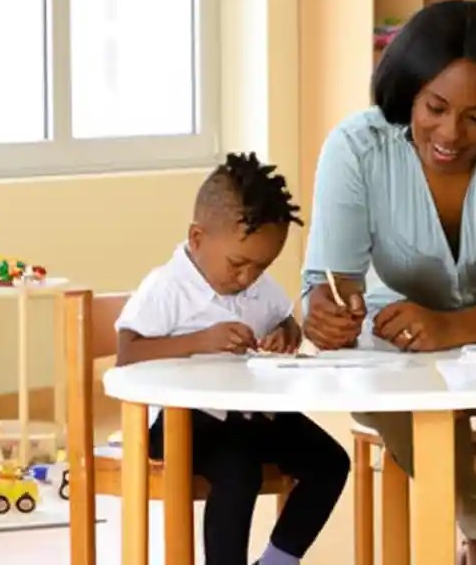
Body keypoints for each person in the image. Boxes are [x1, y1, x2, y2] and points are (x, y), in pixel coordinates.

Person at [300, 0, 476, 557]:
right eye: (434, 107)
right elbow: (328, 281)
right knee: (403, 410)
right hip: (401, 348)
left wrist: (452, 327)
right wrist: (326, 313)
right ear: (408, 88)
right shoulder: (356, 146)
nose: (451, 134)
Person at [115, 153, 349, 565]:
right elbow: (128, 353)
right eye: (238, 265)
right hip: (181, 421)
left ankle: (277, 561)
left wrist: (285, 334)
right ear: (198, 238)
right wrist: (200, 340)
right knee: (239, 472)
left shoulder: (258, 286)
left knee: (331, 462)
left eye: (261, 267)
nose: (246, 278)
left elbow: (285, 318)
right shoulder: (167, 288)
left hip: (250, 414)